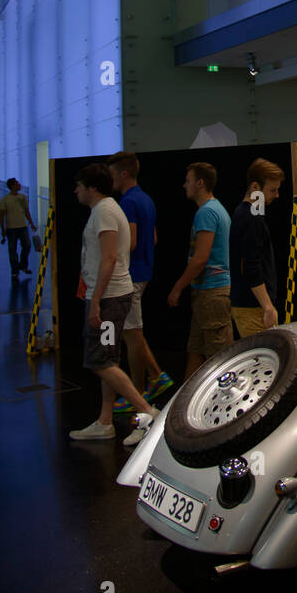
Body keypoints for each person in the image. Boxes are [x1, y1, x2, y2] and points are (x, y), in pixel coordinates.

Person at [69, 164, 159, 444]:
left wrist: (95, 302)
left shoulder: (105, 211)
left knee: (99, 361)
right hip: (110, 296)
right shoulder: (106, 209)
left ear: (91, 187)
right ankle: (105, 421)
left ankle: (147, 413)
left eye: (79, 186)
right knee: (108, 359)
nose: (76, 191)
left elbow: (108, 259)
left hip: (108, 299)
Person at [108, 152, 173, 431]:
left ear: (123, 174)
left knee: (132, 335)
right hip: (144, 272)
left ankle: (142, 389)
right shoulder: (145, 199)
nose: (110, 179)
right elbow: (153, 238)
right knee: (132, 333)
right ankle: (149, 382)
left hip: (131, 276)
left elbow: (130, 241)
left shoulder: (129, 202)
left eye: (112, 173)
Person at [169, 162, 233, 380]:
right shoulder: (214, 210)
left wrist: (177, 288)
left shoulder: (206, 213)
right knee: (195, 349)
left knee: (220, 358)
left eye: (188, 180)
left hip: (211, 294)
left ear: (200, 183)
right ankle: (183, 404)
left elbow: (200, 258)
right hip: (205, 293)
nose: (184, 185)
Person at [230, 158, 283, 337]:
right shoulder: (250, 217)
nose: (276, 195)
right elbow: (251, 266)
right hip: (252, 307)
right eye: (272, 190)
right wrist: (267, 307)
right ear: (255, 187)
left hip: (250, 304)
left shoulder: (249, 213)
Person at [0, 178, 37, 281]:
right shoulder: (5, 199)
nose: (19, 185)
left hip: (23, 226)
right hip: (11, 228)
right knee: (12, 250)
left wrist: (31, 223)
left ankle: (23, 265)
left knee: (27, 246)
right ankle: (15, 270)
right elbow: (2, 215)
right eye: (17, 184)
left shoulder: (23, 197)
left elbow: (26, 211)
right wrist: (2, 229)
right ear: (12, 186)